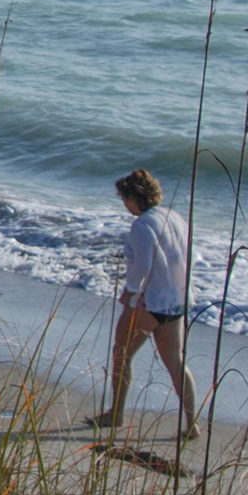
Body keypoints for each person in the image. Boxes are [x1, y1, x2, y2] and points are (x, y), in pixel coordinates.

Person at [87, 169, 201, 440]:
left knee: (121, 353)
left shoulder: (142, 225)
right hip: (176, 301)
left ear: (133, 197)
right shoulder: (174, 217)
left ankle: (116, 413)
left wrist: (130, 292)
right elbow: (191, 256)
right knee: (176, 363)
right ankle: (191, 423)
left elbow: (143, 265)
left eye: (124, 198)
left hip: (150, 303)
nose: (124, 204)